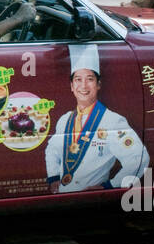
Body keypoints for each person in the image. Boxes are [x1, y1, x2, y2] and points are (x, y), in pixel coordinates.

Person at [46, 45, 147, 193]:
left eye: (90, 79)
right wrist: (53, 176)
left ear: (98, 84)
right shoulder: (64, 120)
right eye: (78, 80)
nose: (84, 86)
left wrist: (111, 185)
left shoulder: (113, 120)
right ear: (72, 86)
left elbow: (140, 158)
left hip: (93, 200)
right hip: (62, 196)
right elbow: (52, 150)